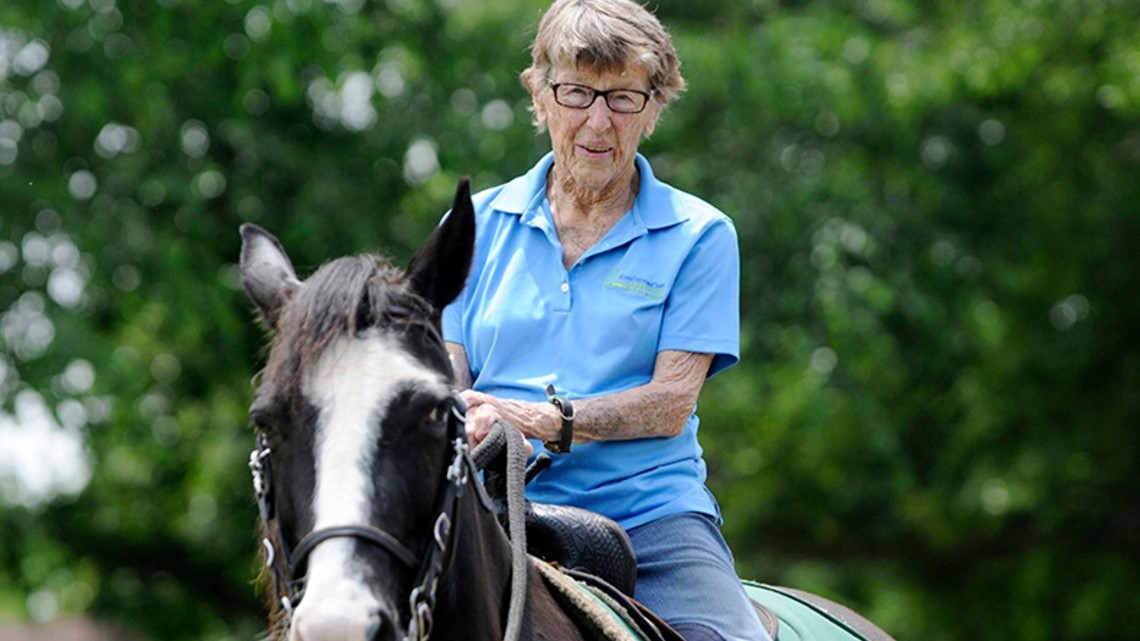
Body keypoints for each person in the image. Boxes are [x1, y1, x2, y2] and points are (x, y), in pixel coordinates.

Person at [442, 1, 769, 639]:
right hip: (488, 510)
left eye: (622, 97)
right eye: (576, 93)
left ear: (653, 109)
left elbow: (671, 403)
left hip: (650, 518)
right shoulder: (472, 225)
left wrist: (539, 420)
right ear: (539, 96)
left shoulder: (700, 235)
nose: (598, 121)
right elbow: (447, 378)